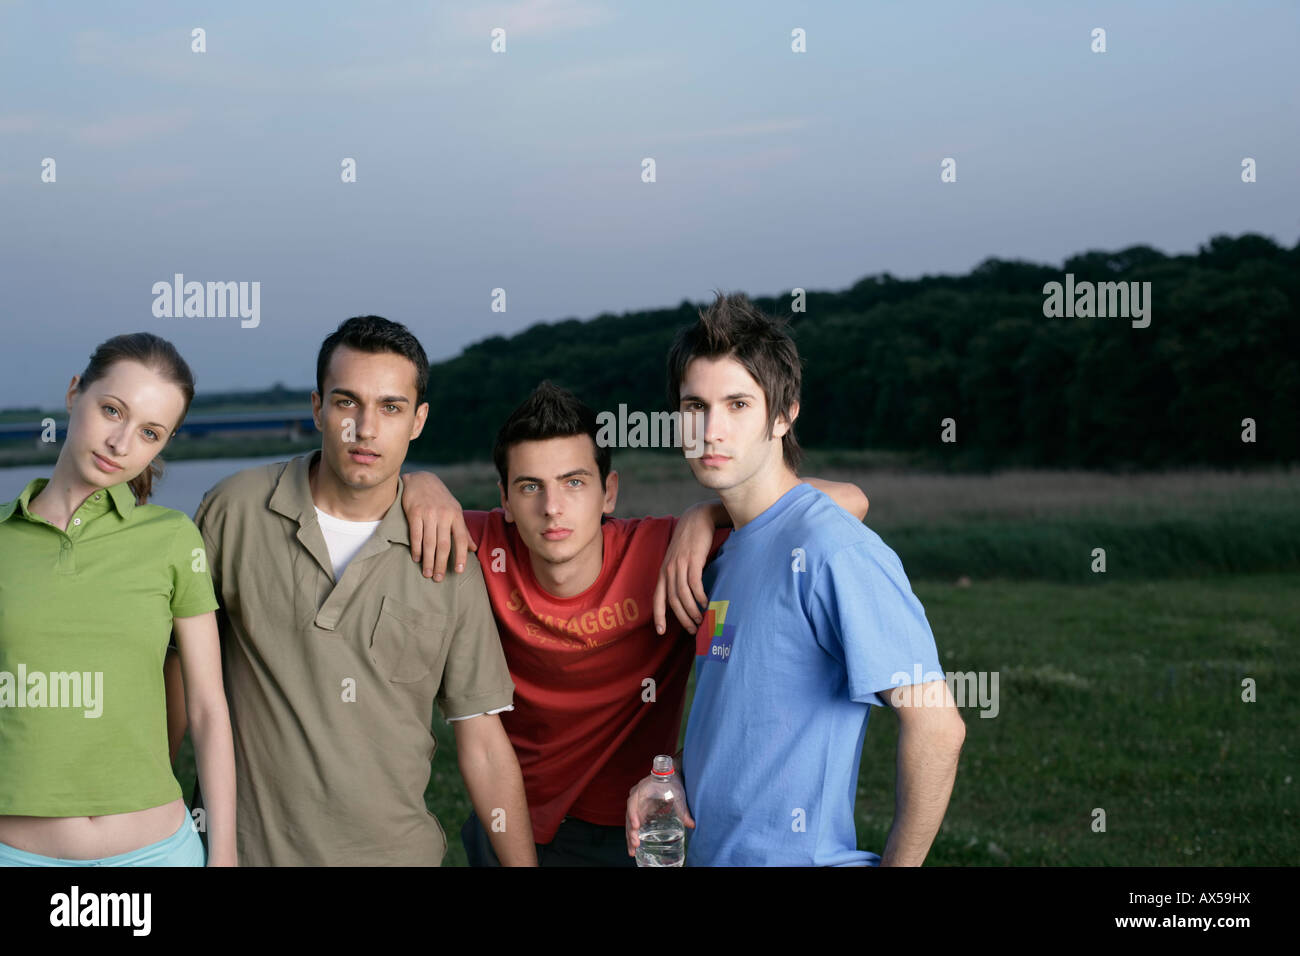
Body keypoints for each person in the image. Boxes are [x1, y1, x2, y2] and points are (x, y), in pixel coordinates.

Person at [400, 381, 870, 865]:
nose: (552, 507)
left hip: (631, 821)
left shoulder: (665, 551)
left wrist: (707, 514)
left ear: (610, 493)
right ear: (505, 499)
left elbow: (851, 500)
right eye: (529, 486)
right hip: (510, 815)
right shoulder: (480, 542)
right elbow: (377, 502)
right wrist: (421, 484)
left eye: (574, 482)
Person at [625, 292, 966, 866]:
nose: (711, 430)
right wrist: (676, 775)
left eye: (737, 405)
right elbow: (747, 714)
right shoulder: (726, 553)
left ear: (783, 415)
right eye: (693, 406)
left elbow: (938, 727)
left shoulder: (834, 548)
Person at [188, 315, 536, 866]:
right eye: (347, 402)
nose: (365, 428)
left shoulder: (449, 554)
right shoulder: (234, 511)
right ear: (317, 407)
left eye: (391, 407)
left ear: (418, 421)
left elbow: (484, 743)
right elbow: (174, 675)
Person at [0, 333, 236, 867]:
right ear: (73, 393)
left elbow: (206, 709)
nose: (121, 443)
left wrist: (224, 854)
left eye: (150, 432)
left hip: (157, 852)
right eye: (112, 410)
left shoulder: (173, 539)